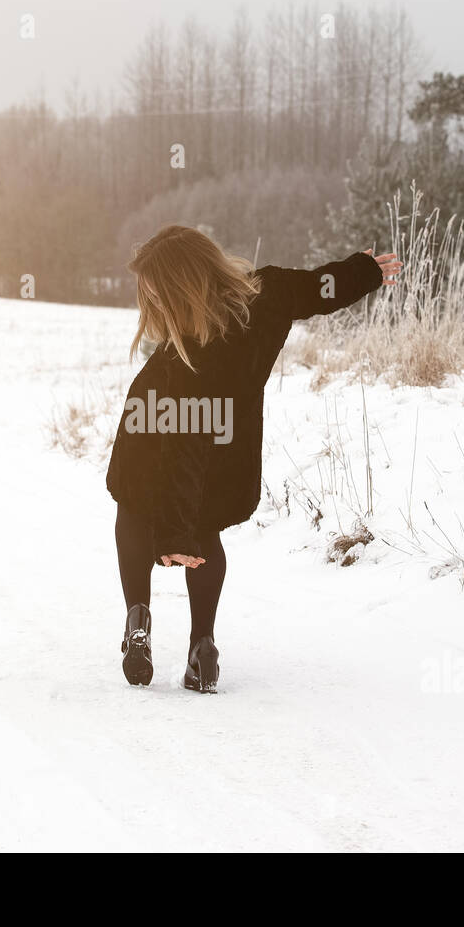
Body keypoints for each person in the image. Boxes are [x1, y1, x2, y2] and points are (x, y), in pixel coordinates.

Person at [106, 225, 401, 692]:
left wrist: (173, 534)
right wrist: (361, 271)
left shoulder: (186, 357)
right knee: (206, 529)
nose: (153, 303)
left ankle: (137, 621)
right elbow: (315, 289)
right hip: (229, 450)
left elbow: (184, 447)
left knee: (134, 511)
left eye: (157, 292)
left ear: (183, 284)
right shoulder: (268, 294)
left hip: (155, 434)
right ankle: (202, 646)